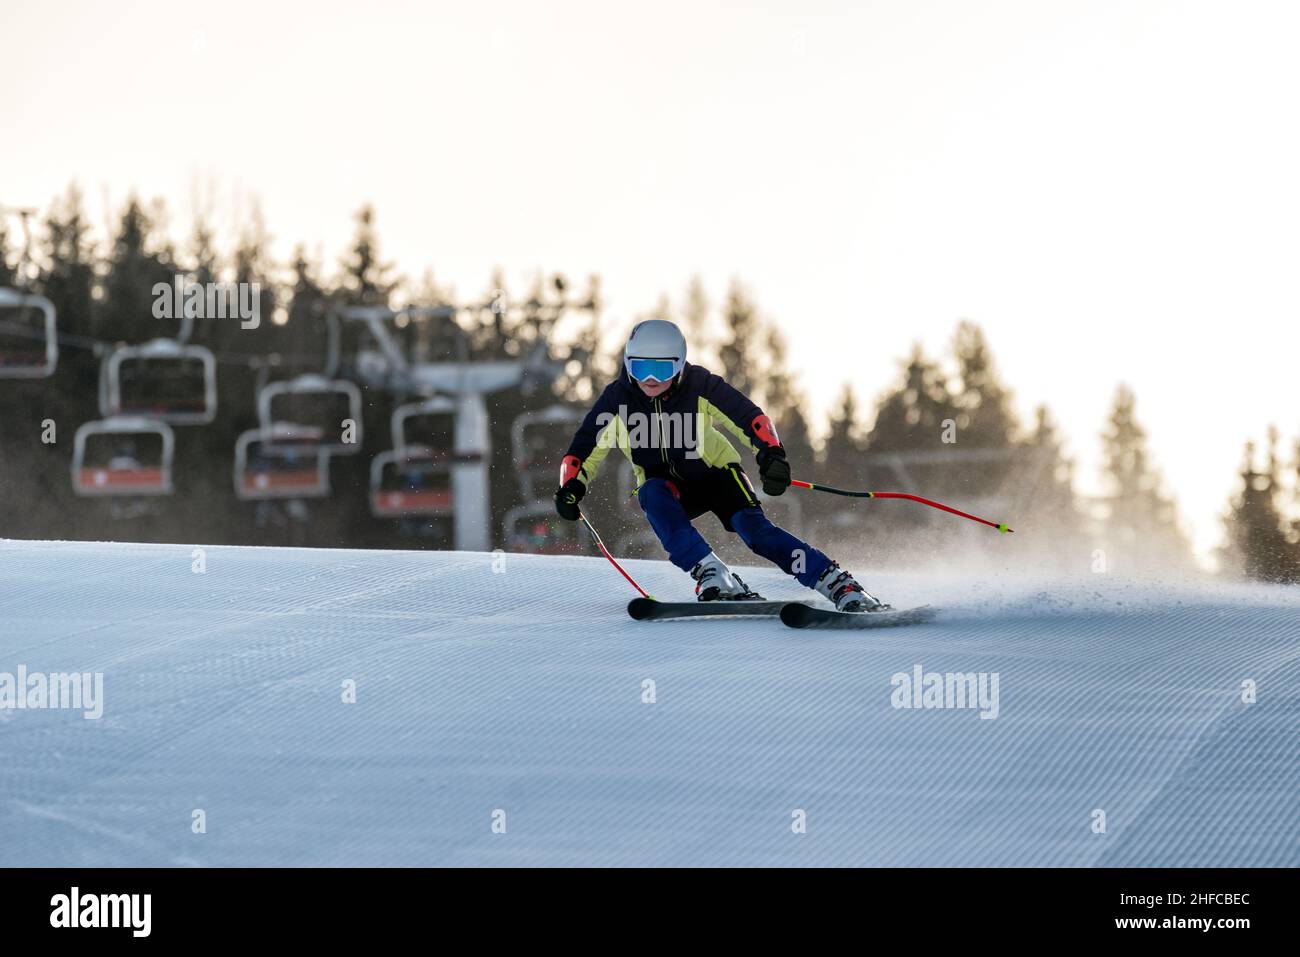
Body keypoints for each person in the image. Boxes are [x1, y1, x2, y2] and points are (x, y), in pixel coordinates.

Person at [554, 319, 888, 611]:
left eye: (663, 369)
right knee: (652, 494)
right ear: (628, 364)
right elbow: (585, 445)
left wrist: (771, 456)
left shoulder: (699, 385)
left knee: (756, 534)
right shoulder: (618, 399)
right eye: (641, 369)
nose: (651, 379)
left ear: (681, 364)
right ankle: (712, 572)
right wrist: (572, 485)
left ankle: (838, 584)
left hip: (716, 475)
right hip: (667, 488)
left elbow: (749, 418)